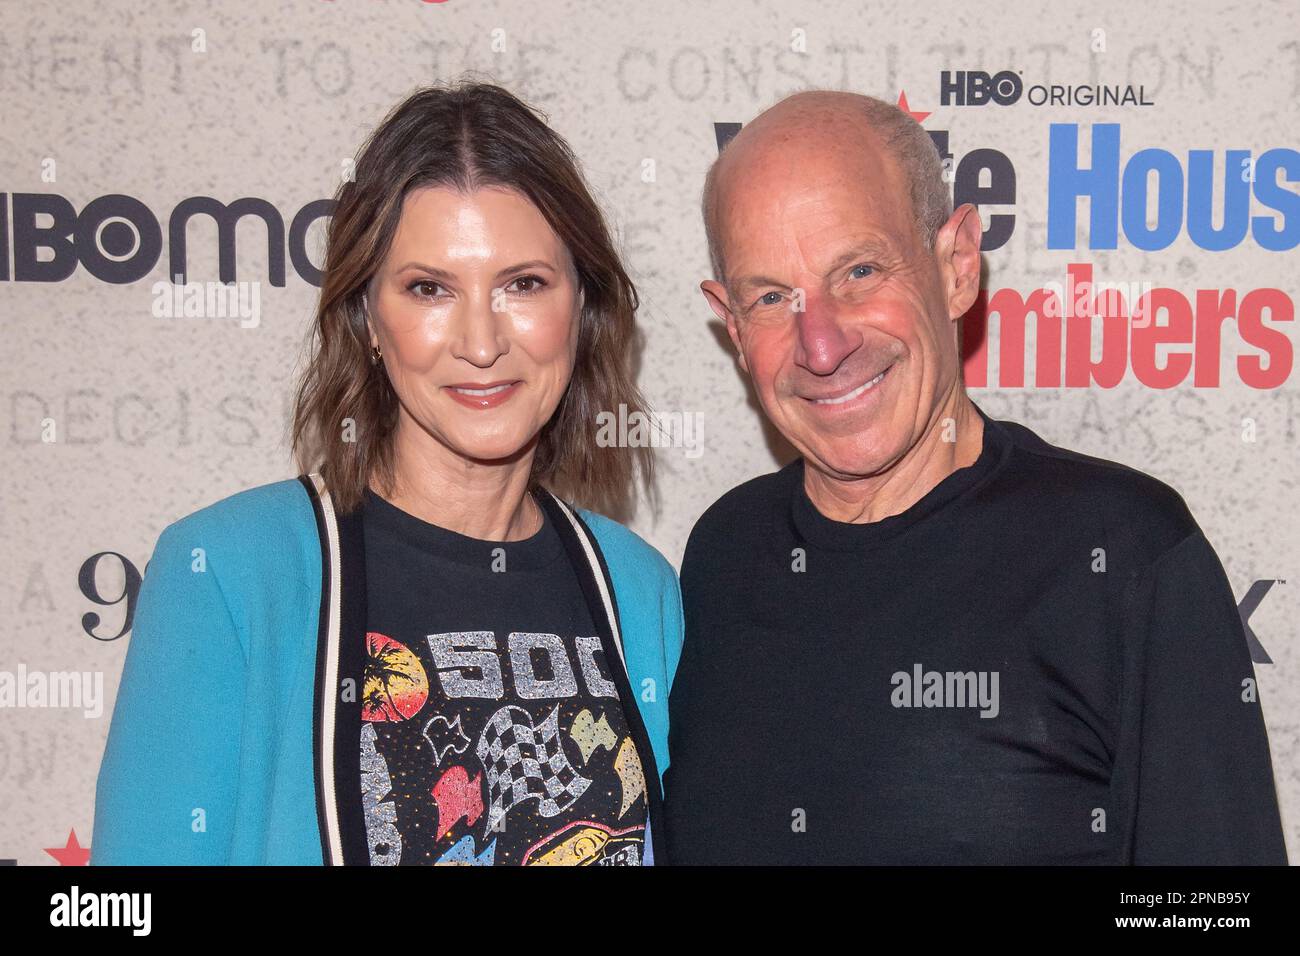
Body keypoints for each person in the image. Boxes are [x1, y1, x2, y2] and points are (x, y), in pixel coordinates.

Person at [661, 89, 1288, 864]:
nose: (820, 344)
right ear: (730, 321)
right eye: (769, 297)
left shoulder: (1125, 554)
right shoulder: (724, 552)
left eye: (859, 270)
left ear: (957, 266)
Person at [91, 82, 683, 866]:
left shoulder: (637, 592)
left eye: (524, 284)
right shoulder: (232, 572)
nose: (480, 341)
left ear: (582, 306)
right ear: (369, 317)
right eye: (429, 288)